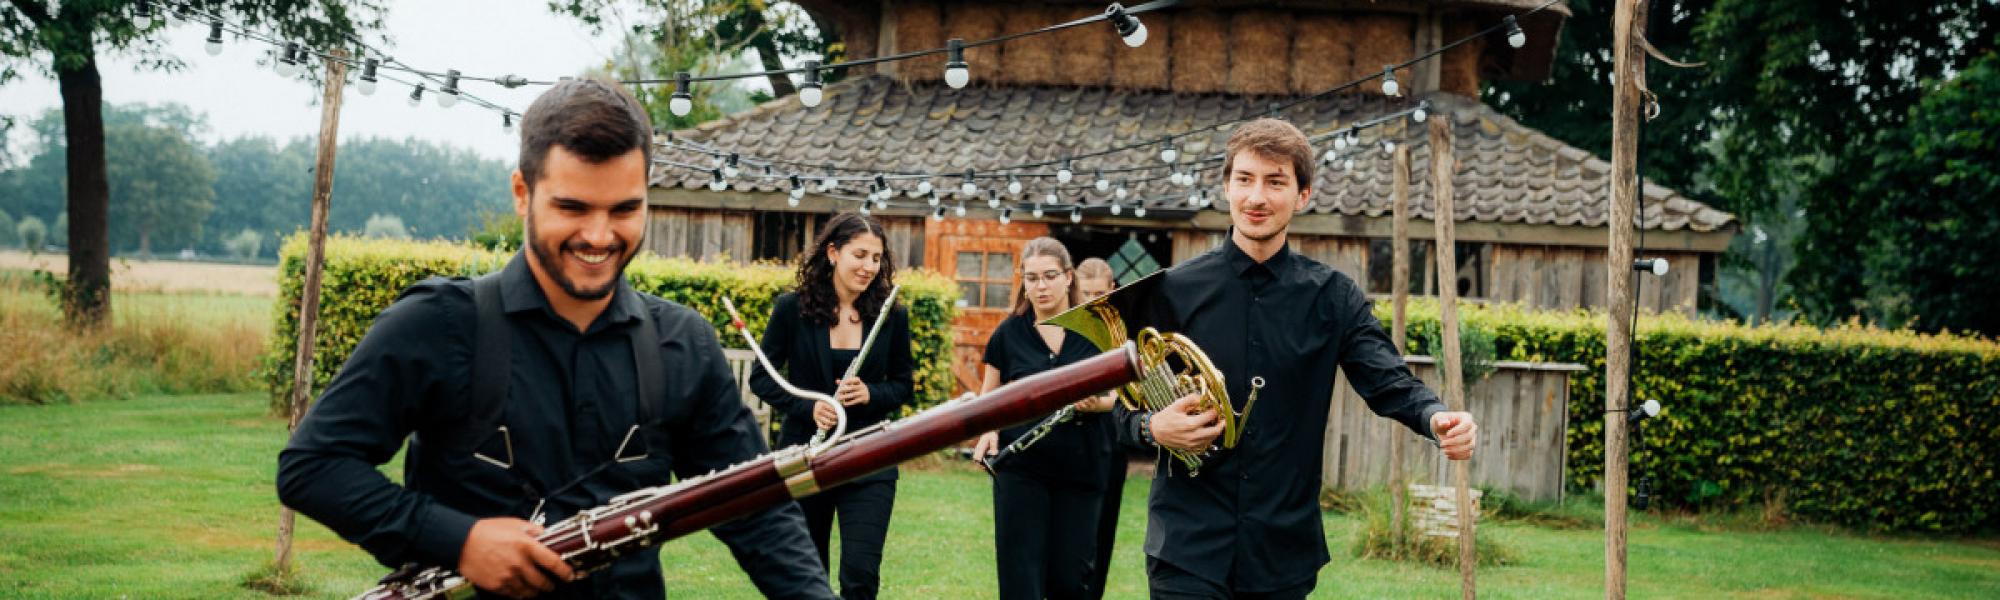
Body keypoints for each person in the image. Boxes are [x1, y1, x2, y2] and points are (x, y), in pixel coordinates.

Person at [276, 78, 833, 599]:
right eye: (572, 207)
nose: (599, 235)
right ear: (523, 193)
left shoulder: (682, 343)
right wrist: (459, 539)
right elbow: (314, 466)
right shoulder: (439, 324)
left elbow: (755, 509)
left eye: (625, 209)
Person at [1117, 118, 1479, 599]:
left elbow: (1387, 378)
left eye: (1275, 181)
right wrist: (1151, 430)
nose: (1256, 197)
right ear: (1226, 187)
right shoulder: (1170, 292)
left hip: (1280, 552)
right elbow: (1113, 408)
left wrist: (1435, 417)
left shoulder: (1333, 298)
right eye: (1244, 179)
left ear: (1303, 195)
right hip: (1187, 547)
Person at [749, 211, 914, 600]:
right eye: (860, 255)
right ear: (833, 252)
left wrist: (872, 394)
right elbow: (762, 378)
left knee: (861, 577)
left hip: (870, 455)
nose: (869, 267)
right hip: (807, 454)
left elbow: (903, 385)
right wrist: (810, 407)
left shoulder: (891, 315)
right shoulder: (792, 309)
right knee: (808, 576)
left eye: (876, 258)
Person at [970, 238, 1118, 600]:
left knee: (1070, 580)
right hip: (1022, 468)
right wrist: (988, 431)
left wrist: (1098, 404)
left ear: (1069, 277)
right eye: (1032, 278)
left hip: (1083, 468)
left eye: (1050, 276)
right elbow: (988, 398)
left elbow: (1119, 395)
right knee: (1021, 579)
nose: (1041, 286)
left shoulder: (1098, 330)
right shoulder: (1008, 333)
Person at [1071, 257, 1126, 600]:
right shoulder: (1068, 327)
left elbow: (1130, 394)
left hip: (1109, 436)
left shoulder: (1120, 331)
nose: (1092, 300)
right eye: (1086, 292)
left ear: (1113, 290)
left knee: (1101, 530)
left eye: (1099, 293)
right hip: (1068, 437)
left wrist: (1100, 403)